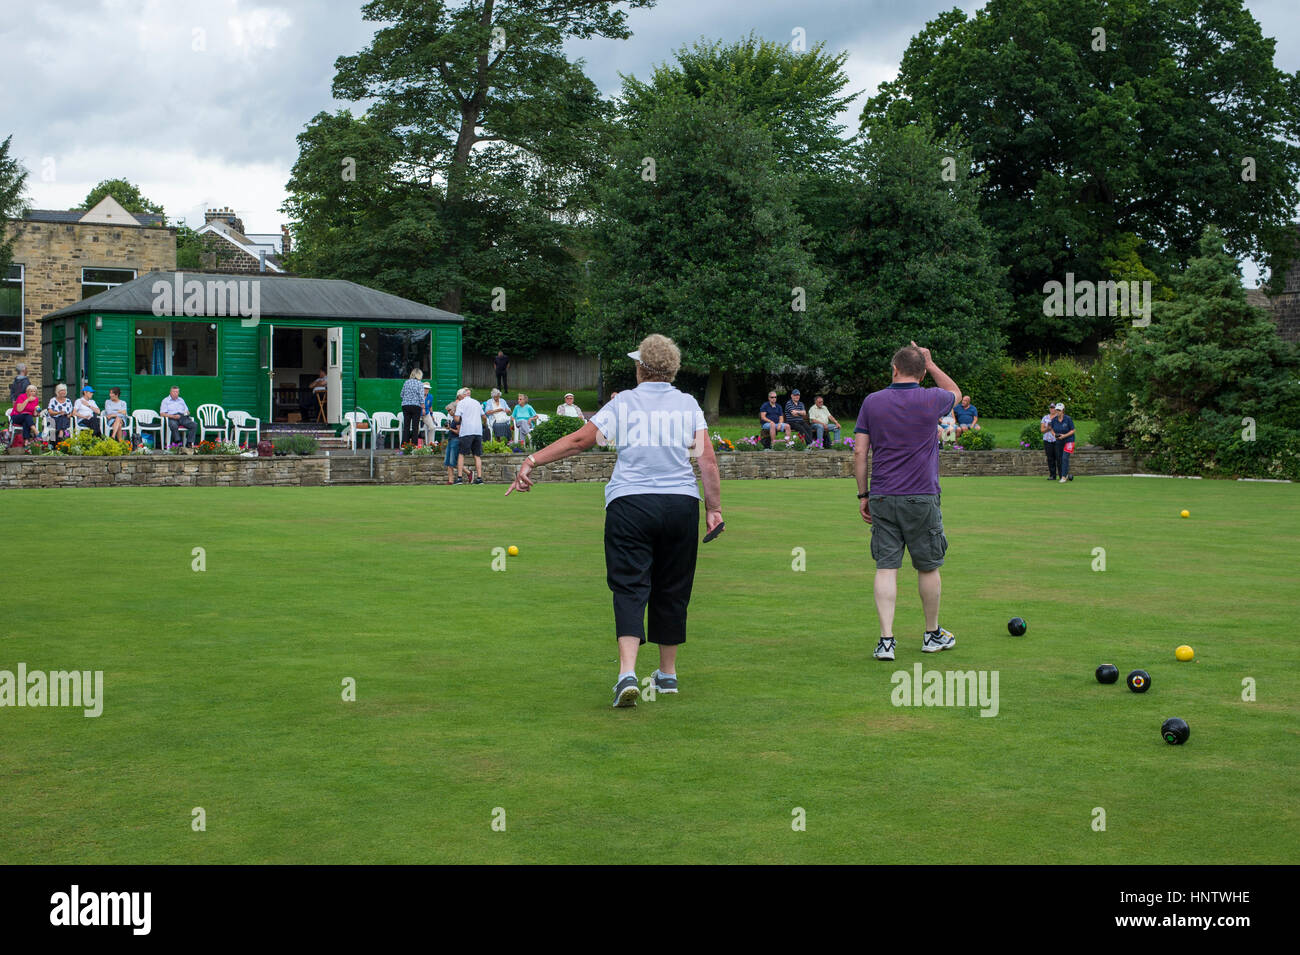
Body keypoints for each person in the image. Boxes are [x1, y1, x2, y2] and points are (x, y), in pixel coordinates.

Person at [506, 333, 723, 708]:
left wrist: (531, 461)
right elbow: (705, 460)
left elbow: (579, 441)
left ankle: (627, 674)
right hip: (679, 504)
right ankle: (667, 675)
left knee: (630, 585)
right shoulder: (688, 404)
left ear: (641, 367)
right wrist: (713, 508)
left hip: (630, 503)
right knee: (672, 586)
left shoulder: (623, 403)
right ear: (671, 369)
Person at [855, 341, 962, 662]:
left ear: (895, 369)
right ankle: (931, 634)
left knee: (886, 567)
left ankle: (886, 641)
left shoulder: (872, 402)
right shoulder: (931, 398)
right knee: (928, 566)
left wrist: (863, 494)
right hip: (922, 496)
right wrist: (930, 363)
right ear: (920, 371)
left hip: (884, 495)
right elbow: (955, 392)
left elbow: (860, 452)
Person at [454, 387, 484, 483]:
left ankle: (459, 478)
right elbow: (483, 416)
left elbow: (457, 419)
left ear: (462, 395)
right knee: (477, 455)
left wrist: (455, 417)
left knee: (461, 454)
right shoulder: (476, 402)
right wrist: (484, 424)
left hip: (467, 431)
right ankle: (479, 478)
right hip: (478, 431)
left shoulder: (461, 403)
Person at [1050, 403, 1076, 483]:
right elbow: (1051, 429)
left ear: (1063, 410)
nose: (1057, 411)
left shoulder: (1068, 419)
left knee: (1065, 458)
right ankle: (1065, 474)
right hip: (1059, 441)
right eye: (1056, 410)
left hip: (1069, 440)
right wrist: (1054, 435)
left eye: (1059, 410)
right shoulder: (1054, 420)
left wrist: (1064, 436)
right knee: (1060, 459)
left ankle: (1064, 477)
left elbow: (1073, 430)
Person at [400, 368, 425, 446]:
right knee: (415, 427)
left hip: (405, 406)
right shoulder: (420, 384)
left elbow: (401, 395)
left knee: (406, 426)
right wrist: (423, 407)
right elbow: (421, 397)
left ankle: (404, 445)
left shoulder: (406, 382)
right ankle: (414, 445)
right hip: (416, 406)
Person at [442, 398, 462, 485]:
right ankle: (450, 480)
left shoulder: (458, 419)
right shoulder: (453, 418)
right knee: (448, 461)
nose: (449, 412)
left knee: (452, 461)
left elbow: (459, 432)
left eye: (450, 410)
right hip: (451, 439)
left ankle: (467, 473)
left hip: (455, 440)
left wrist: (450, 428)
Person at [1039, 404, 1058, 479]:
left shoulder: (1058, 417)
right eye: (1051, 408)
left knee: (1058, 457)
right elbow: (1042, 430)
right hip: (1047, 440)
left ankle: (1062, 475)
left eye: (1053, 408)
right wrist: (1048, 428)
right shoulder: (1045, 417)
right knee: (1050, 458)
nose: (1052, 409)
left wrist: (1053, 428)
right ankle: (1052, 475)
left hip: (1057, 440)